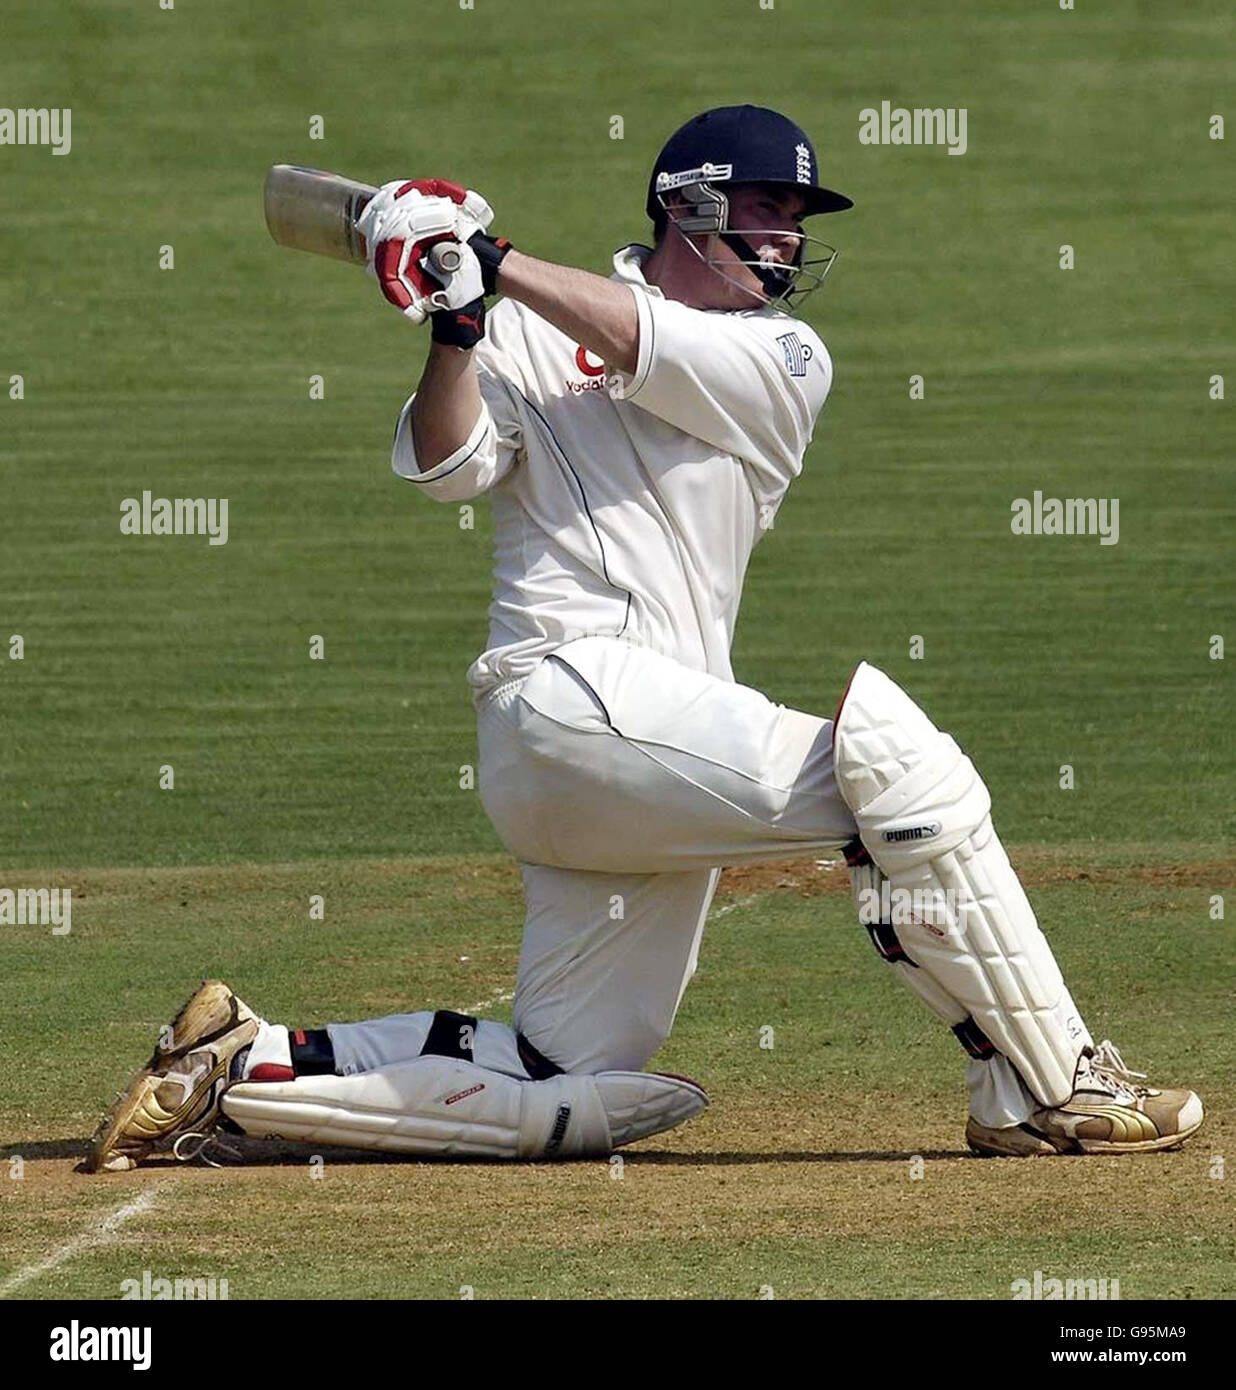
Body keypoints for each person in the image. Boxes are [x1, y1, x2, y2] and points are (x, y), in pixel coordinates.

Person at [87, 106, 1201, 1173]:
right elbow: (442, 465)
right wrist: (460, 326)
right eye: (772, 206)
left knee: (563, 1072)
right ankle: (1052, 1088)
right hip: (567, 696)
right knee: (906, 775)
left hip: (631, 760)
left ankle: (239, 1069)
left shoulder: (784, 358)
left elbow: (637, 338)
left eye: (800, 218)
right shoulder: (524, 325)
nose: (790, 236)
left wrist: (491, 255)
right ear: (694, 206)